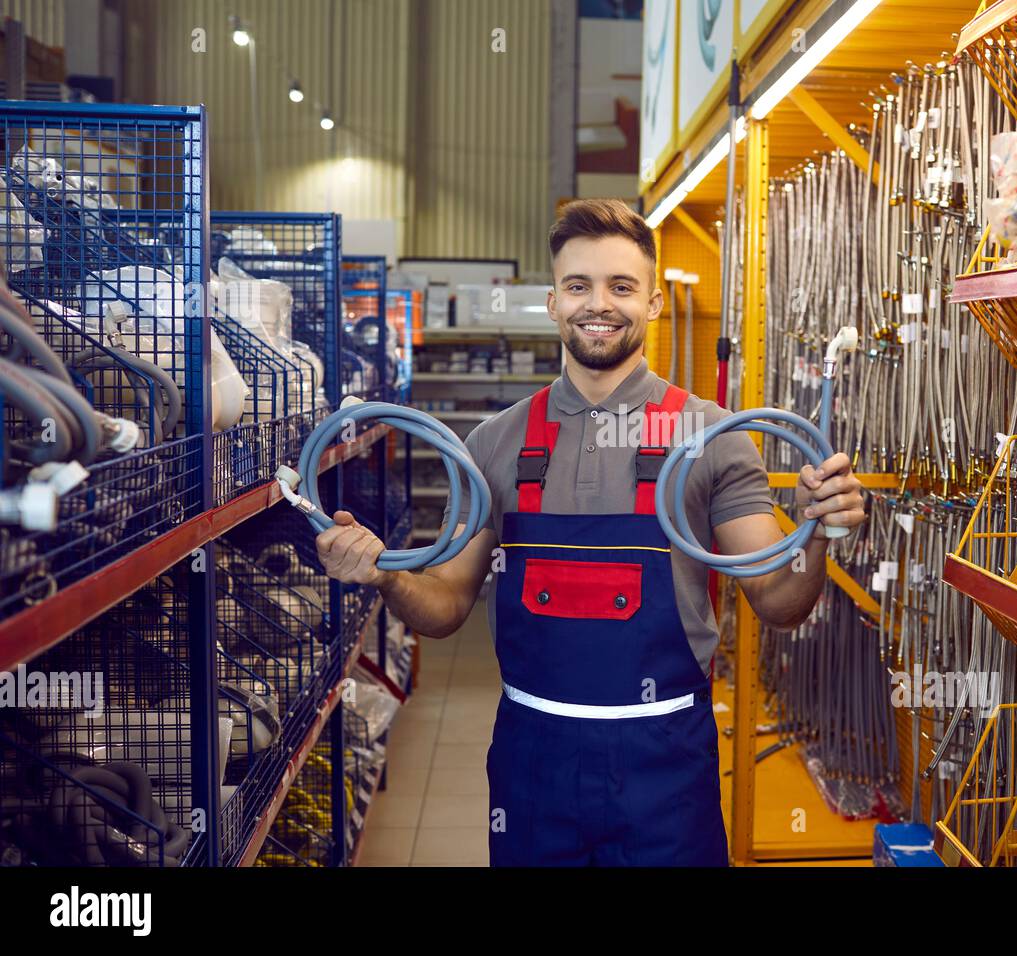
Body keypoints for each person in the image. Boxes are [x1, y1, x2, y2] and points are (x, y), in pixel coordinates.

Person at [316, 199, 865, 866]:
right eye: (578, 286)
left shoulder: (712, 439)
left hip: (666, 766)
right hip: (532, 764)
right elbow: (445, 606)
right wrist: (386, 574)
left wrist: (816, 531)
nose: (597, 304)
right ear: (552, 302)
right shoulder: (494, 444)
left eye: (621, 287)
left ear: (654, 303)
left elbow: (779, 602)